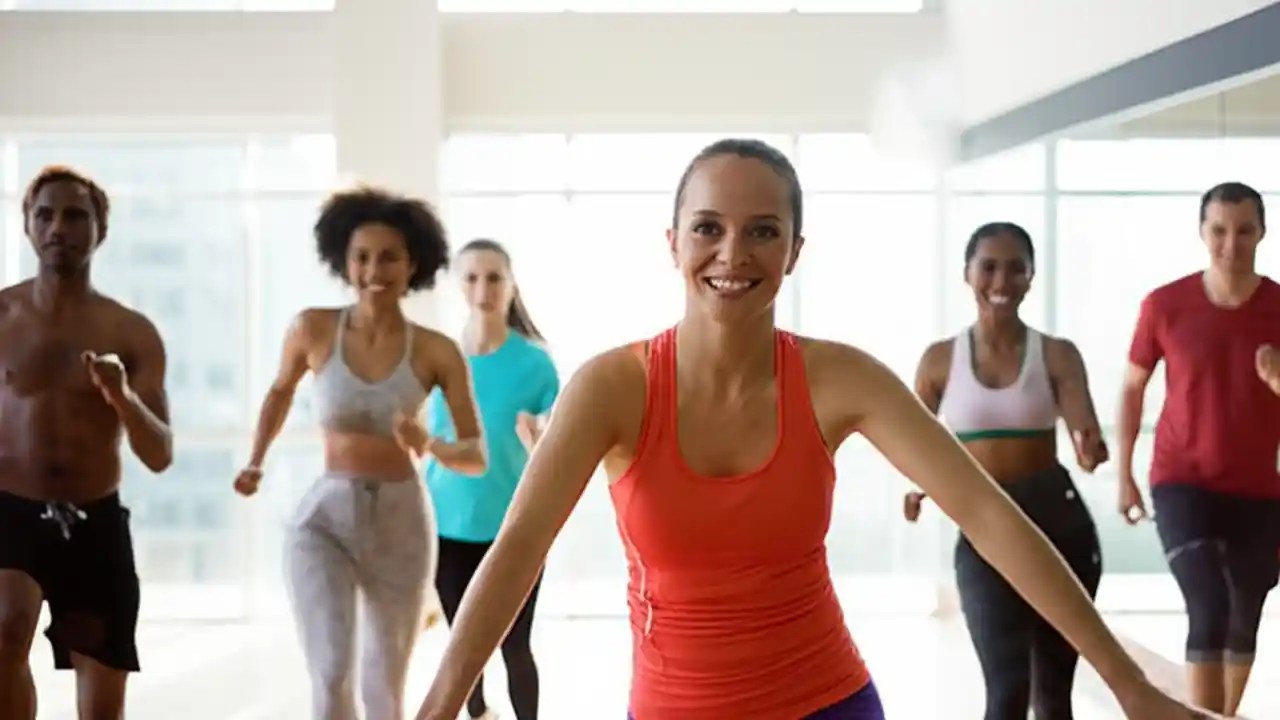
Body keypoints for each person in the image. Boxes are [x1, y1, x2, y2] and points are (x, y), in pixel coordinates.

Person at [413, 138, 1209, 720]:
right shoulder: (612, 387)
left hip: (827, 702)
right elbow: (517, 551)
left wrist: (1131, 686)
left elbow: (992, 516)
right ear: (673, 243)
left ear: (795, 250)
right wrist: (439, 707)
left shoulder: (839, 378)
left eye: (764, 230)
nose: (734, 252)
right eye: (708, 228)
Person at [234, 186, 486, 720]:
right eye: (362, 257)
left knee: (382, 686)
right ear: (343, 263)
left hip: (400, 522)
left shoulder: (437, 350)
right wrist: (255, 460)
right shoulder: (313, 327)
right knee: (329, 671)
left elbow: (475, 455)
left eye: (389, 256)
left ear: (412, 262)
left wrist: (430, 444)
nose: (375, 269)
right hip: (323, 518)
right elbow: (279, 393)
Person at [903, 222, 1107, 719]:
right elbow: (909, 439)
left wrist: (1090, 448)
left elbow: (1085, 433)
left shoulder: (1057, 354)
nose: (1002, 279)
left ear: (1032, 277)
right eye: (989, 266)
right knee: (1006, 687)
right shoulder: (938, 360)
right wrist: (918, 488)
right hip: (985, 529)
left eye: (1017, 267)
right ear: (967, 274)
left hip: (1057, 524)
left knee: (1053, 694)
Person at [0, 166, 173, 720]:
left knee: (101, 699)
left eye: (75, 215)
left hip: (94, 521)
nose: (58, 228)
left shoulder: (130, 331)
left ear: (100, 229)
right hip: (10, 514)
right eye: (45, 215)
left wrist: (121, 396)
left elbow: (159, 453)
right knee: (5, 631)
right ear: (27, 226)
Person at [1119, 181, 1280, 718]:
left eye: (1243, 231)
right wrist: (1124, 474)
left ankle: (1224, 716)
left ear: (1262, 233)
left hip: (1260, 489)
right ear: (1201, 232)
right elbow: (1132, 388)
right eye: (1218, 231)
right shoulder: (1165, 305)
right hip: (1181, 479)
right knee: (1208, 604)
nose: (1230, 244)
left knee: (1245, 613)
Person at [425, 238, 560, 720]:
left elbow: (555, 450)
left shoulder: (536, 364)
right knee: (463, 643)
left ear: (511, 285)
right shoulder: (437, 356)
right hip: (445, 524)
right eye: (472, 277)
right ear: (459, 286)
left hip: (514, 528)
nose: (483, 288)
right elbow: (423, 435)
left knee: (515, 645)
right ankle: (479, 713)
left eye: (494, 277)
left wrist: (536, 440)